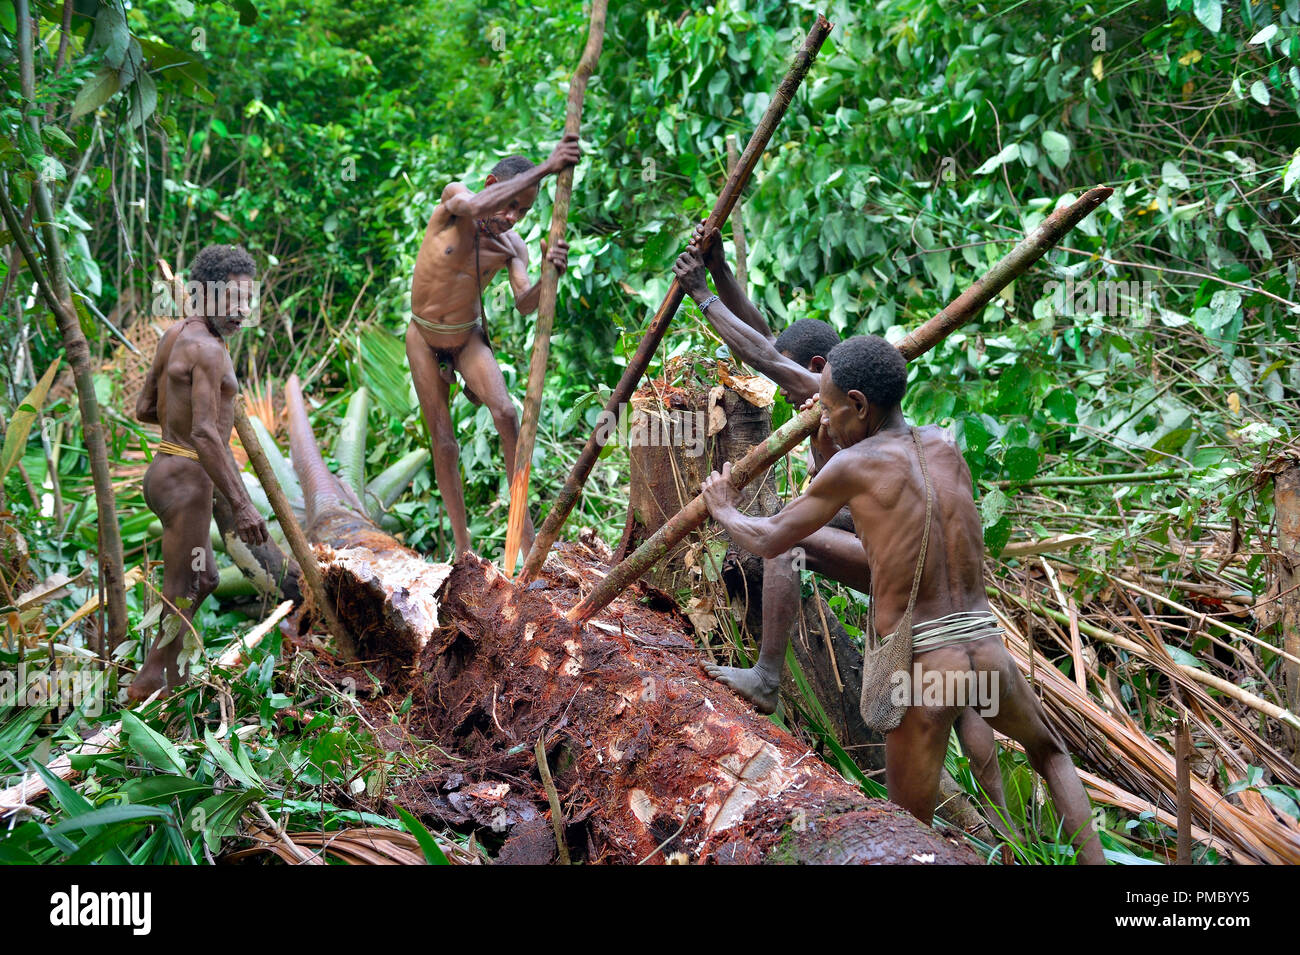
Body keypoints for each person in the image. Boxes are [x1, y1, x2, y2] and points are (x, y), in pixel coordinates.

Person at [698, 334, 1106, 864]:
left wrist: (725, 508)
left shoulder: (854, 466)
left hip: (925, 667)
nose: (821, 416)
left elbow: (772, 537)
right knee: (1050, 753)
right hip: (986, 651)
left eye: (828, 406)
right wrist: (832, 447)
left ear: (860, 405)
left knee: (906, 837)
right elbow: (899, 515)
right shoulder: (945, 445)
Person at [672, 233, 1011, 840]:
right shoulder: (839, 392)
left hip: (890, 555)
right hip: (926, 580)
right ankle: (1014, 829)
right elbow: (766, 342)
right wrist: (722, 270)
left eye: (801, 380)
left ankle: (767, 677)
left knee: (790, 543)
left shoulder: (821, 396)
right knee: (962, 699)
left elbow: (763, 356)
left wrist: (702, 295)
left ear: (820, 377)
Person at [407, 135, 581, 557]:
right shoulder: (455, 203)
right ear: (490, 183)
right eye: (511, 204)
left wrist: (546, 274)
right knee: (444, 439)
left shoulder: (511, 246)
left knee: (506, 413)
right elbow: (470, 205)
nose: (514, 217)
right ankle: (463, 551)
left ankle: (523, 543)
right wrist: (546, 167)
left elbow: (525, 304)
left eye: (523, 210)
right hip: (423, 335)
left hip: (467, 337)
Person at [132, 244, 269, 700]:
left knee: (205, 579)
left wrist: (183, 431)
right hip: (188, 480)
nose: (241, 311)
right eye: (231, 298)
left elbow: (145, 407)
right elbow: (208, 435)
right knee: (183, 588)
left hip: (165, 470)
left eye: (247, 300)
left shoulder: (176, 334)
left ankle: (170, 675)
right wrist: (243, 505)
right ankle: (152, 686)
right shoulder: (209, 351)